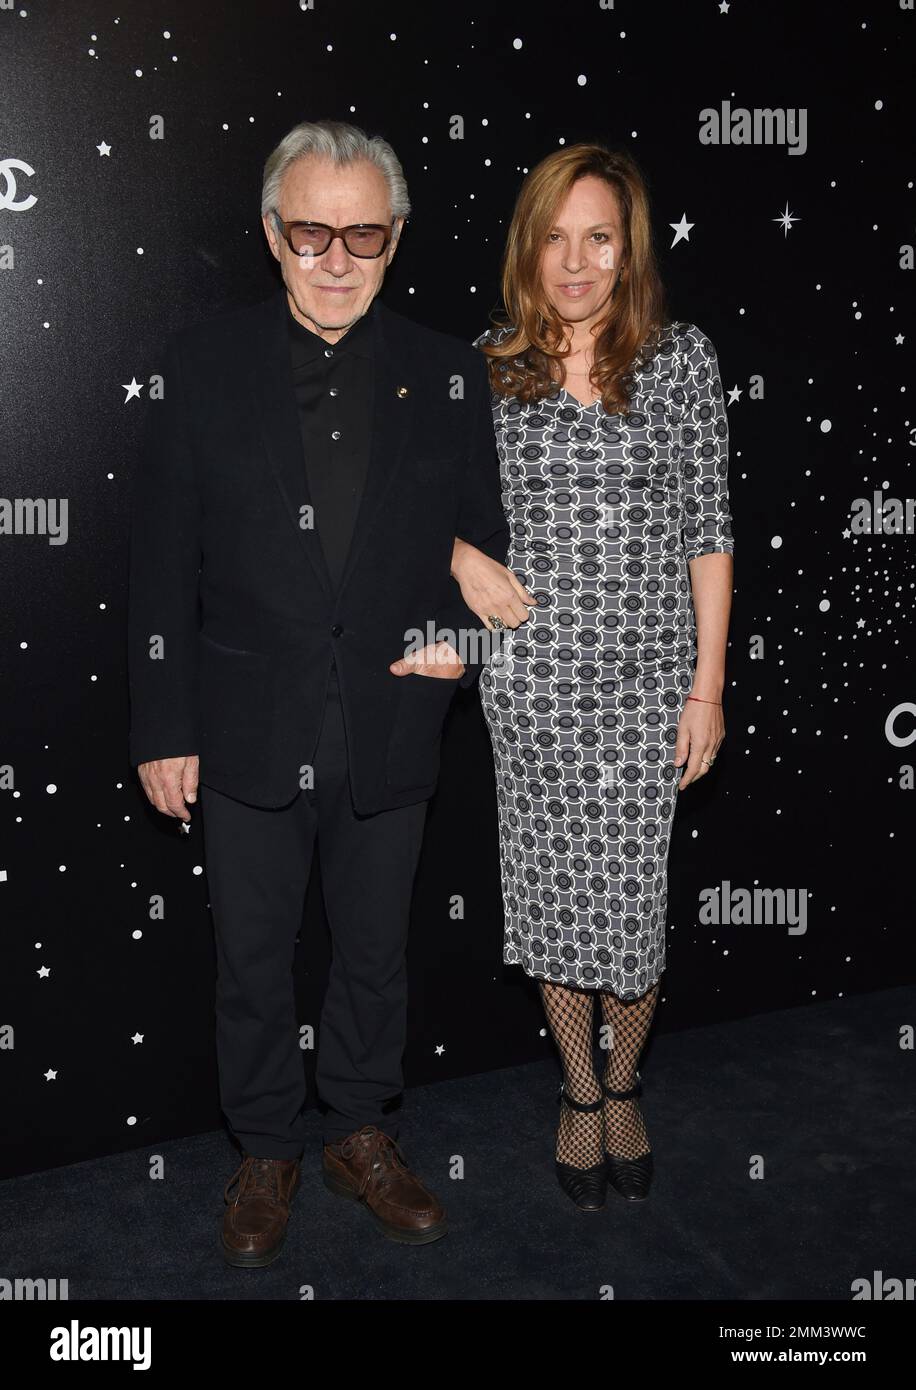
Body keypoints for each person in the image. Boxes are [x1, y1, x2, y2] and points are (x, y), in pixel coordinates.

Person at [127, 119, 508, 1265]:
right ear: (270, 233)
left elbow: (481, 551)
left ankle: (358, 1130)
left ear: (394, 241)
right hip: (244, 721)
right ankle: (266, 1149)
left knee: (376, 952)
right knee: (251, 957)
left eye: (362, 234)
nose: (336, 258)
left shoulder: (448, 371)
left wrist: (457, 647)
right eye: (310, 232)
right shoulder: (202, 366)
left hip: (391, 717)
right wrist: (163, 726)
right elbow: (161, 564)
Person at [449, 143, 735, 1210]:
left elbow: (708, 527)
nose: (576, 260)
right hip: (531, 688)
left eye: (598, 236)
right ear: (530, 247)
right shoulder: (483, 366)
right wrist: (456, 555)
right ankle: (580, 1091)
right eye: (556, 236)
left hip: (649, 685)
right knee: (553, 903)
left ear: (628, 249)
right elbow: (406, 501)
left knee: (629, 905)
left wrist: (706, 685)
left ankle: (626, 1082)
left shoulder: (679, 359)